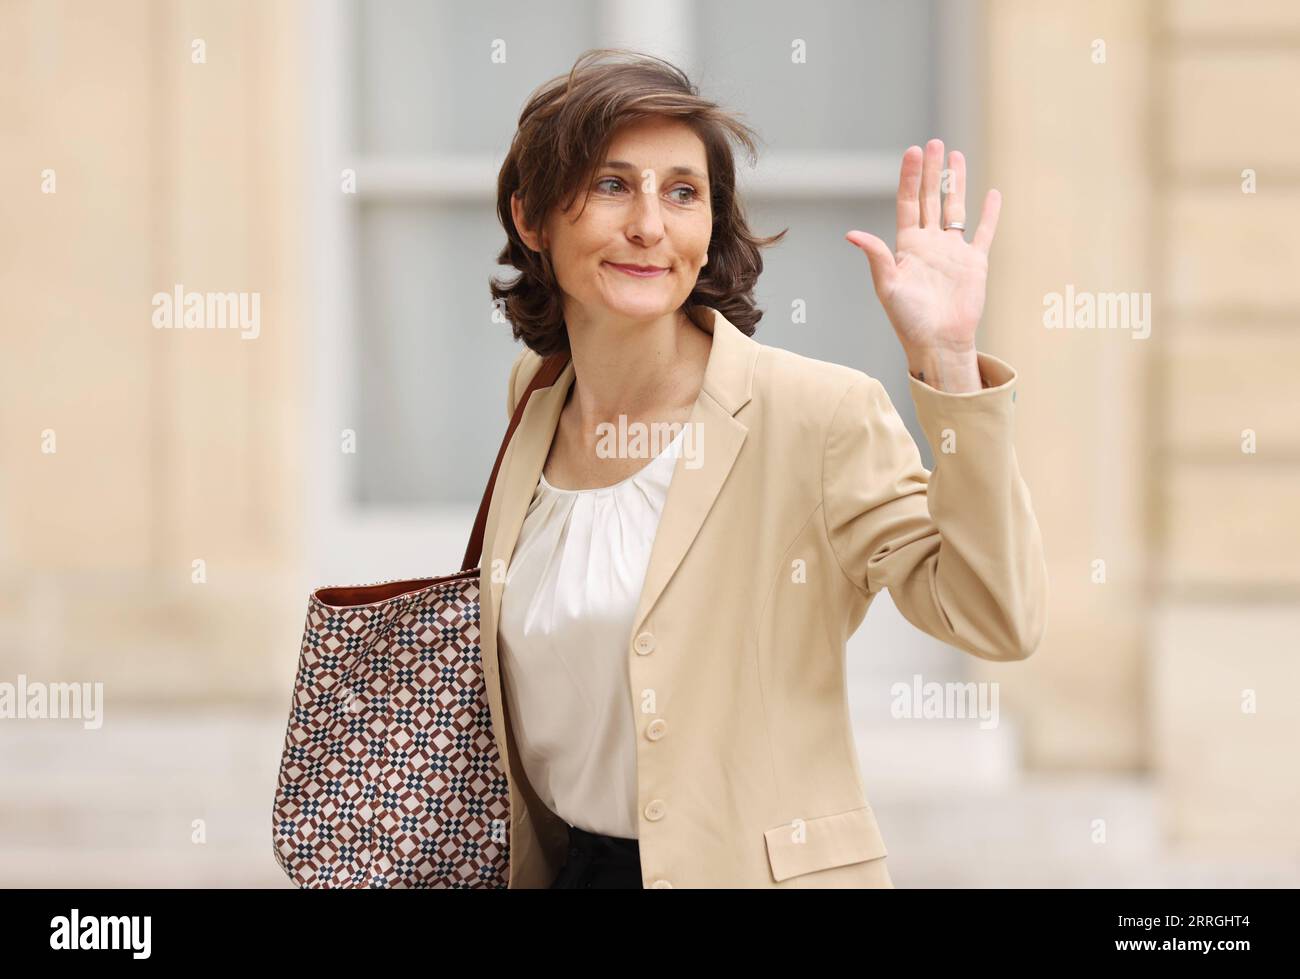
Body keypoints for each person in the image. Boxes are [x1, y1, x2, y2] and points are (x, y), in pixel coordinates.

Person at [479, 49, 1048, 889]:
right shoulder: (535, 397)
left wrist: (950, 363)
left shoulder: (816, 415)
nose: (649, 226)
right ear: (531, 220)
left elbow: (996, 615)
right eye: (611, 185)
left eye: (682, 192)